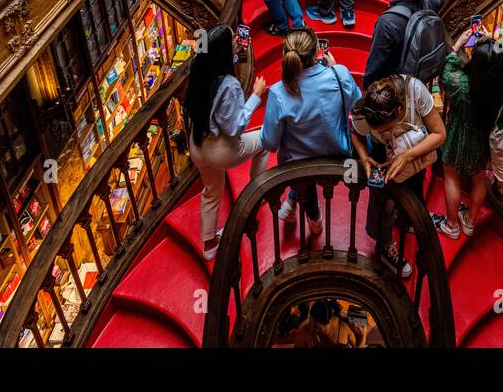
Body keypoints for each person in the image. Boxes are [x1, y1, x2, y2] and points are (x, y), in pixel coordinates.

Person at [260, 27, 360, 232]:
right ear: (316, 53)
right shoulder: (339, 74)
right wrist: (336, 69)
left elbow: (269, 143)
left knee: (303, 178)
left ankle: (315, 221)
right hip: (336, 153)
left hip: (298, 165)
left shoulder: (279, 91)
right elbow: (356, 104)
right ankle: (304, 213)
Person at [185, 24, 268, 259]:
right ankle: (257, 194)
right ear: (222, 52)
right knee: (263, 141)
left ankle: (209, 244)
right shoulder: (229, 86)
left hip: (198, 144)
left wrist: (236, 51)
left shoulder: (200, 68)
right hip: (221, 149)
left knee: (211, 191)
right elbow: (234, 127)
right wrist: (256, 95)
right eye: (233, 42)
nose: (236, 43)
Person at [350, 74, 446, 273]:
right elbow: (356, 134)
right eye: (380, 131)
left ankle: (408, 220)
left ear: (400, 110)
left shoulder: (415, 92)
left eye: (390, 127)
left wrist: (407, 156)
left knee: (415, 191)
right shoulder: (365, 112)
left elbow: (439, 134)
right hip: (383, 155)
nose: (388, 133)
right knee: (384, 203)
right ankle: (385, 245)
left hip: (415, 154)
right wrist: (363, 156)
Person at [435, 31, 503, 238]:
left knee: (451, 176)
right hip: (484, 138)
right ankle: (469, 221)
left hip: (459, 135)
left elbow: (447, 70)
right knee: (479, 179)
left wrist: (458, 45)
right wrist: (497, 47)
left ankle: (451, 225)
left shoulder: (462, 84)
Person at [363, 0, 444, 87]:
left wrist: (367, 88)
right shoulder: (429, 2)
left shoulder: (388, 22)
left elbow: (376, 63)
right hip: (412, 78)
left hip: (392, 83)